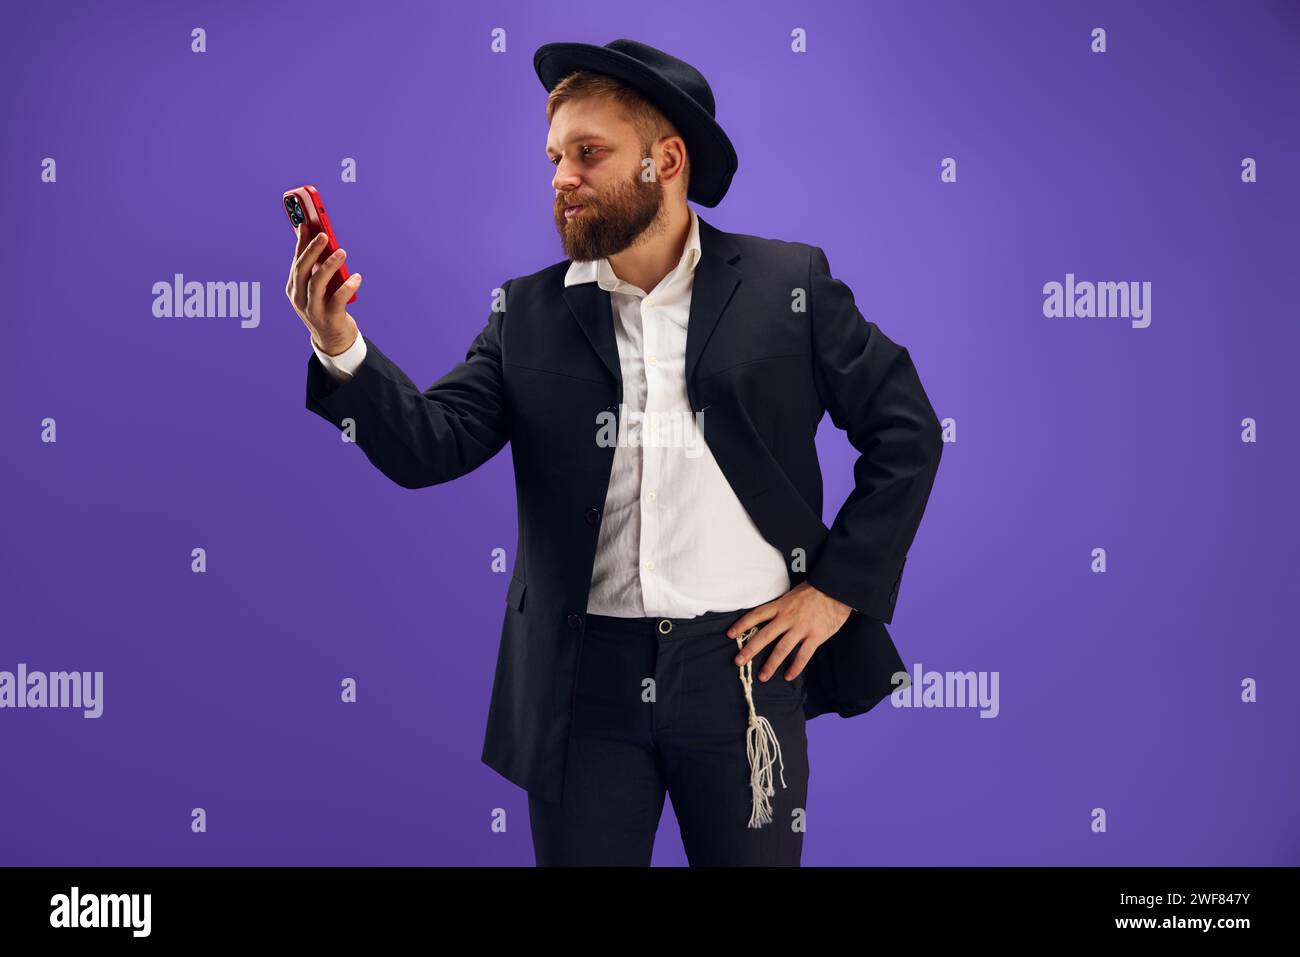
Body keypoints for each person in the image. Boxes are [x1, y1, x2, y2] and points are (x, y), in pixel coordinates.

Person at [286, 38, 944, 866]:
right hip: (581, 685)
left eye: (588, 154)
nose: (561, 177)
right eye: (555, 155)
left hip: (741, 672)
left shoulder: (789, 286)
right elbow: (430, 444)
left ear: (664, 160)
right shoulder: (527, 312)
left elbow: (907, 431)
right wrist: (339, 342)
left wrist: (835, 592)